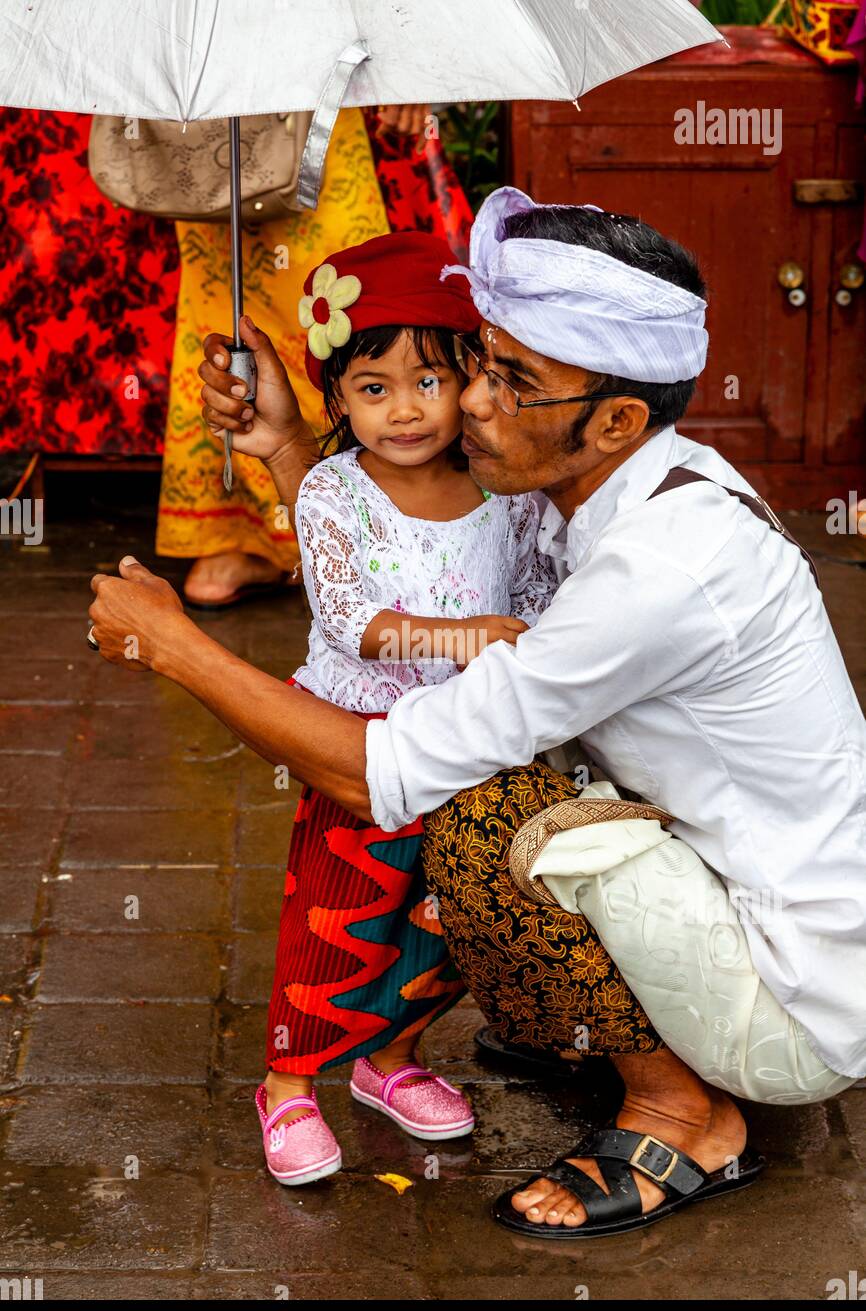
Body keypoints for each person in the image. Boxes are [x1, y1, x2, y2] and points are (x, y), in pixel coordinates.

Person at [89, 186, 866, 1240]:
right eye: (483, 363)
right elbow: (392, 532)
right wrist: (286, 444)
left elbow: (376, 771)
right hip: (755, 904)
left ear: (616, 417)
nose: (470, 403)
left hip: (792, 1011)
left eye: (507, 380)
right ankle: (598, 1028)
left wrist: (175, 644)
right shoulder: (628, 479)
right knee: (507, 790)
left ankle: (684, 1112)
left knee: (483, 811)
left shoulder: (654, 570)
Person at [255, 228, 556, 1185]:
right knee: (341, 913)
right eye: (372, 390)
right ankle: (289, 1079)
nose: (404, 411)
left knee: (443, 910)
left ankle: (389, 1060)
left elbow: (538, 592)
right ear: (335, 400)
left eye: (427, 380)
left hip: (469, 743)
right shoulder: (334, 492)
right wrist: (471, 634)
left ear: (471, 372)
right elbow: (351, 622)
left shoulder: (499, 490)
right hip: (363, 742)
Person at [156, 104, 472, 609]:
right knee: (225, 305)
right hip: (212, 100)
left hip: (323, 88)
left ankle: (375, 521)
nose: (406, 408)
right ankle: (249, 533)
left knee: (351, 305)